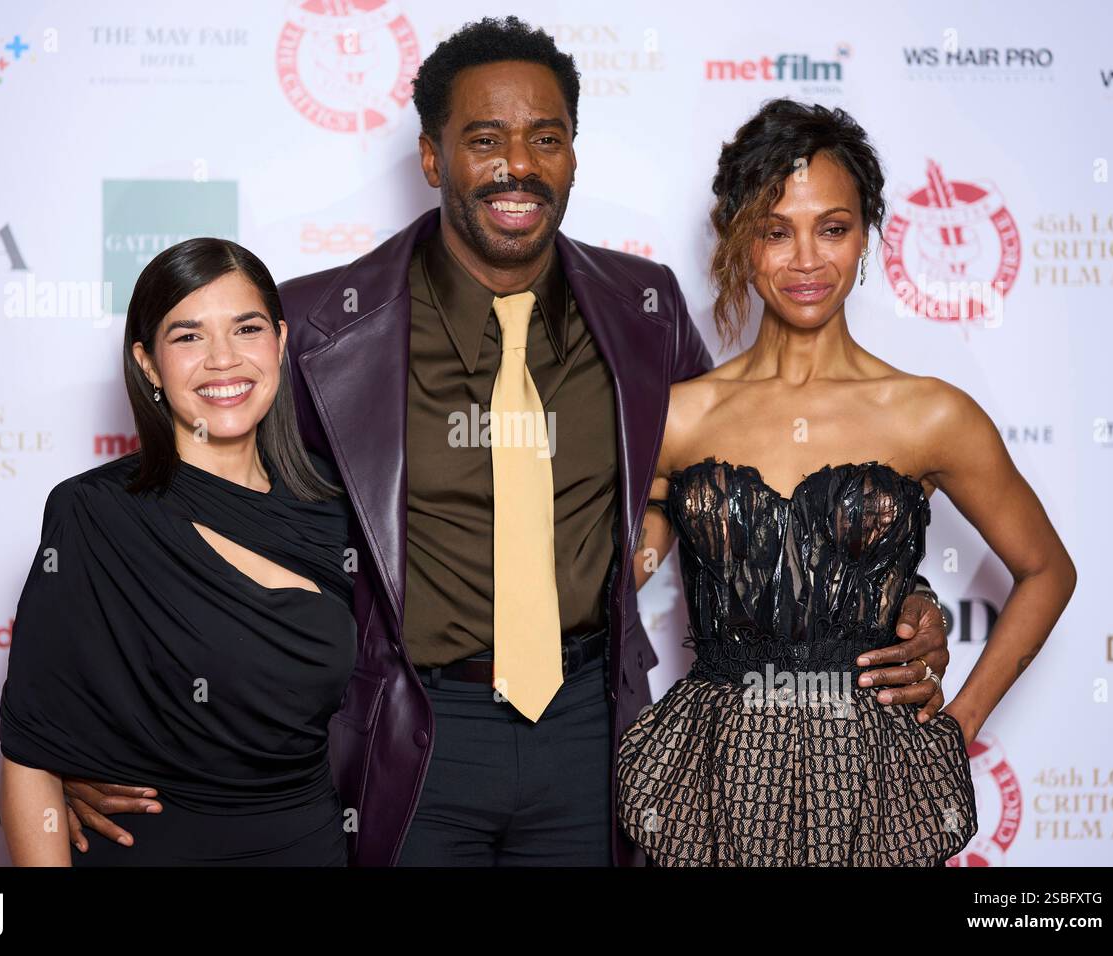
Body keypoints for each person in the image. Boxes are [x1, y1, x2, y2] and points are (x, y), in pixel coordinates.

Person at [59, 17, 951, 868]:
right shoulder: (324, 323)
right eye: (485, 139)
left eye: (546, 139)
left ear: (571, 153)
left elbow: (742, 472)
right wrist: (88, 726)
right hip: (411, 727)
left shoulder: (643, 310)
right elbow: (202, 504)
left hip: (589, 728)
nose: (516, 166)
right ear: (431, 155)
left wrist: (901, 592)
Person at [618, 99, 1077, 866]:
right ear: (739, 239)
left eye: (832, 228)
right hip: (716, 779)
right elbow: (606, 576)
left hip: (872, 788)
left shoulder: (929, 414)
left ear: (867, 236)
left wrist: (956, 726)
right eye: (775, 230)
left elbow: (1046, 571)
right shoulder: (678, 417)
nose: (806, 260)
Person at [0, 238, 356, 866]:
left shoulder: (341, 508)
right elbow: (31, 759)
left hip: (309, 848)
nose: (223, 360)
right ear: (148, 363)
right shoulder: (93, 514)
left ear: (278, 340)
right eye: (188, 337)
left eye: (245, 329)